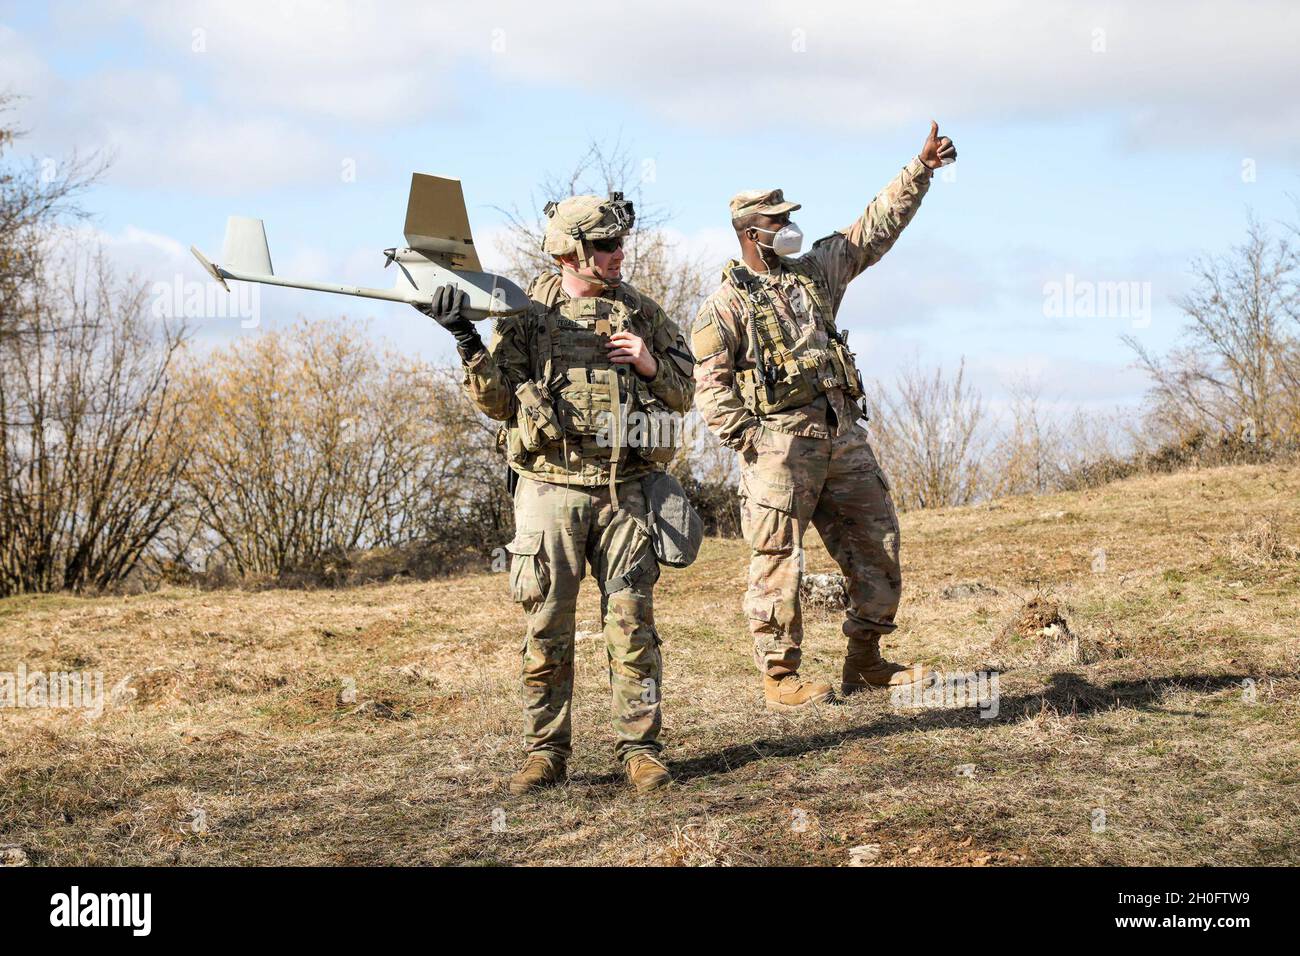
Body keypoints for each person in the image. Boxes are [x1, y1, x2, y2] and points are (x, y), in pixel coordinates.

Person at [418, 191, 694, 792]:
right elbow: (495, 404)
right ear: (571, 252)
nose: (619, 253)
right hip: (550, 492)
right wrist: (464, 335)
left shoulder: (643, 314)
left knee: (632, 626)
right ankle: (545, 752)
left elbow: (684, 393)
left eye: (621, 242)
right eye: (605, 245)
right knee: (545, 627)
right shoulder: (525, 314)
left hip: (627, 494)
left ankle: (641, 750)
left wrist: (649, 365)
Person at [690, 122, 957, 711]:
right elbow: (708, 387)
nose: (788, 229)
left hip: (842, 436)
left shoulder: (813, 276)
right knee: (778, 560)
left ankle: (866, 660)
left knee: (878, 542)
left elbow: (870, 232)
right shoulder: (724, 305)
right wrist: (753, 440)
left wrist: (920, 170)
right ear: (749, 234)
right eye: (777, 223)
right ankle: (781, 677)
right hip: (779, 449)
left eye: (789, 220)